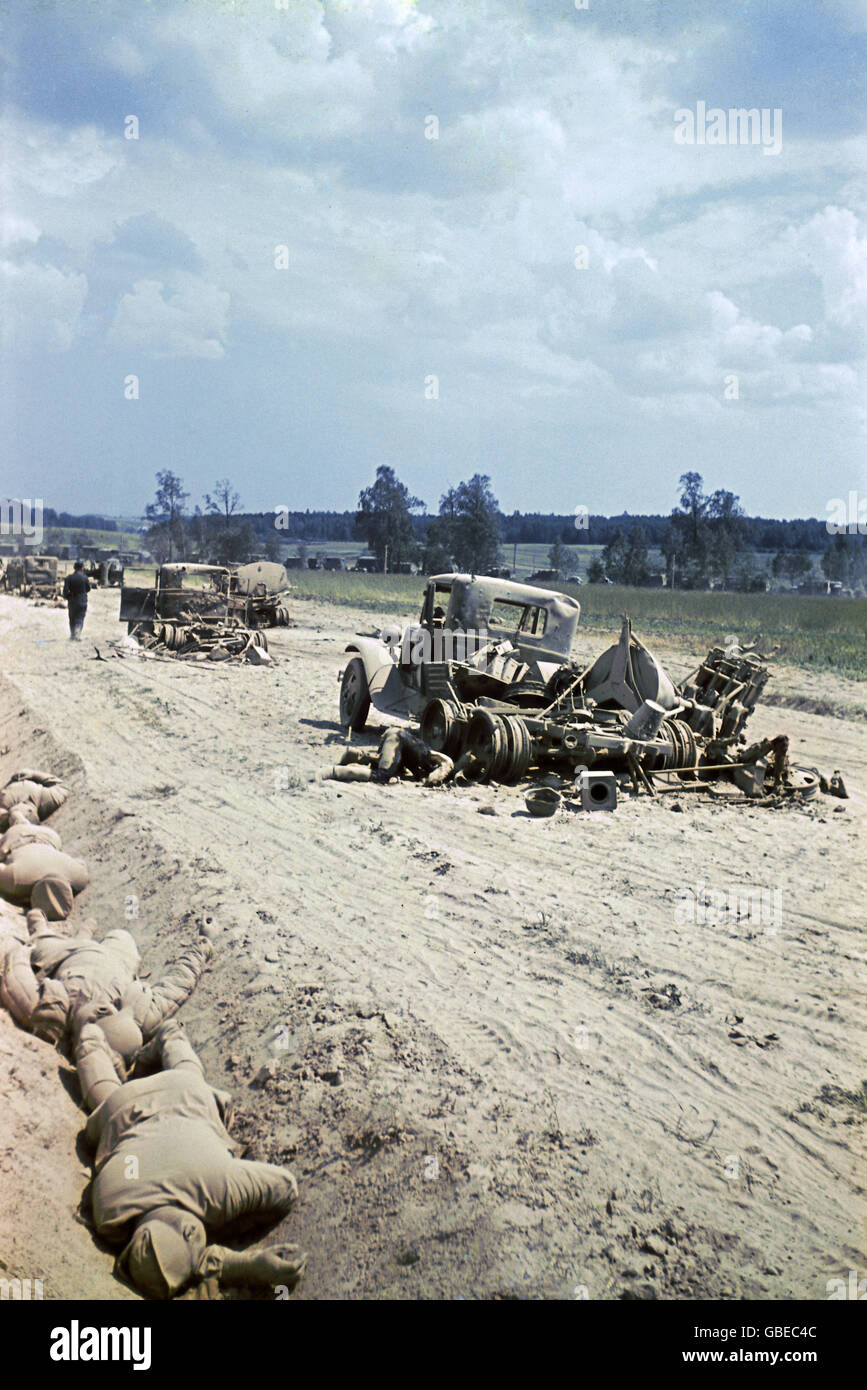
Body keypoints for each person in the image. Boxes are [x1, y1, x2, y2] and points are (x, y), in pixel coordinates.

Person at [75, 1016, 307, 1299]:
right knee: (107, 1095)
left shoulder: (219, 1187)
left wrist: (239, 1258)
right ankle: (105, 1036)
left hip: (181, 1094)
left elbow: (285, 1187)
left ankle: (108, 1035)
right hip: (127, 1104)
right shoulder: (109, 1212)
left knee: (188, 1076)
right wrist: (241, 1264)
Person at [329, 727, 454, 786]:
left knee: (383, 765)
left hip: (394, 736)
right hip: (397, 739)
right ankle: (334, 772)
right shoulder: (440, 760)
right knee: (382, 775)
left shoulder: (422, 756)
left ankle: (356, 755)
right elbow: (437, 775)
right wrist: (428, 782)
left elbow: (406, 760)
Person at [62, 560, 91, 640]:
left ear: (74, 568)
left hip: (72, 601)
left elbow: (65, 591)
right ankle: (77, 634)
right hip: (82, 601)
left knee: (72, 618)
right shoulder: (85, 578)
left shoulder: (69, 578)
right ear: (82, 568)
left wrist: (68, 598)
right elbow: (88, 589)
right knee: (80, 618)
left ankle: (72, 635)